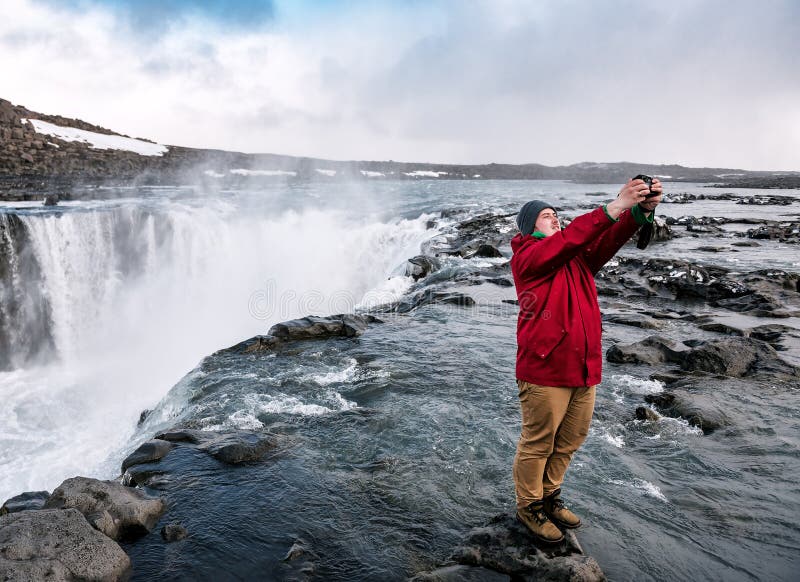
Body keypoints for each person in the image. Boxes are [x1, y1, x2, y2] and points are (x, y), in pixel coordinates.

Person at [509, 177, 663, 543]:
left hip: (583, 367)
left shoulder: (576, 259)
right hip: (545, 370)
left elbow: (605, 238)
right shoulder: (528, 258)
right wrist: (613, 205)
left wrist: (641, 209)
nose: (555, 219)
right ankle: (528, 506)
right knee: (538, 442)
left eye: (556, 214)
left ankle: (549, 496)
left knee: (570, 440)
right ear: (530, 226)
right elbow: (574, 236)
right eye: (547, 216)